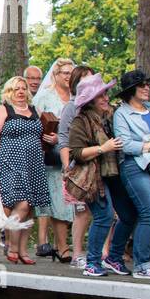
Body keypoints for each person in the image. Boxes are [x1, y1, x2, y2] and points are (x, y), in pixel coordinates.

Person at [107, 70, 150, 279]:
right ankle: (142, 265)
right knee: (149, 212)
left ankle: (146, 259)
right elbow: (125, 144)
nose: (146, 88)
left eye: (147, 84)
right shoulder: (122, 113)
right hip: (136, 166)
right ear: (130, 91)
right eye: (141, 85)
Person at [0, 76, 50, 264]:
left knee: (30, 208)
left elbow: (42, 134)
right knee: (20, 203)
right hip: (10, 160)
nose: (20, 92)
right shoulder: (4, 109)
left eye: (23, 88)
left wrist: (51, 139)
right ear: (9, 92)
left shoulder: (35, 110)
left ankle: (23, 250)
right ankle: (12, 246)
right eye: (16, 89)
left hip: (33, 162)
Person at [67, 74, 123, 277]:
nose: (106, 98)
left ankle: (109, 259)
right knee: (103, 216)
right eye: (101, 95)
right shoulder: (81, 121)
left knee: (119, 215)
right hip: (93, 179)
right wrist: (103, 148)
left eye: (106, 93)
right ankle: (92, 263)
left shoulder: (108, 117)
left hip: (111, 176)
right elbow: (76, 153)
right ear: (91, 101)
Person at [32, 58, 75, 261]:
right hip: (50, 156)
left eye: (70, 73)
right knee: (58, 200)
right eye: (64, 73)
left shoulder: (76, 97)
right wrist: (47, 136)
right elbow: (34, 122)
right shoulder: (46, 97)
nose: (68, 77)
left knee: (70, 203)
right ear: (55, 75)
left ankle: (63, 245)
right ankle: (62, 246)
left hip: (73, 154)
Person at [57, 64, 95, 267]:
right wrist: (66, 166)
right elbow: (63, 138)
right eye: (83, 80)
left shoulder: (98, 105)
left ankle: (102, 252)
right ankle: (77, 253)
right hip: (78, 164)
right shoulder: (71, 107)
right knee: (82, 211)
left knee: (103, 211)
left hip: (99, 163)